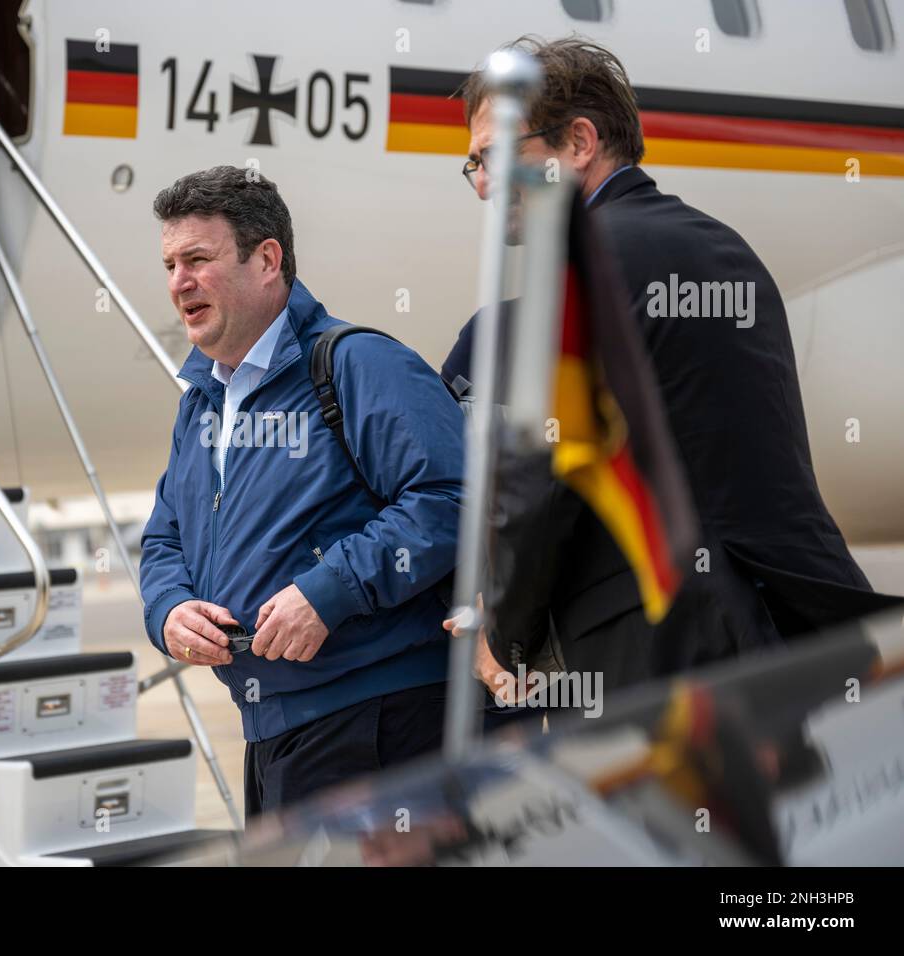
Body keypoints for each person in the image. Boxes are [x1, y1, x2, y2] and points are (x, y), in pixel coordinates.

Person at [443, 36, 892, 700]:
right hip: (770, 632)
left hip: (649, 652)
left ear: (578, 143)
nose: (482, 183)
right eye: (472, 165)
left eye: (493, 155)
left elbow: (544, 475)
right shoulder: (721, 247)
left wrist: (507, 636)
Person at [139, 166, 465, 817]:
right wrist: (169, 609)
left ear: (266, 260)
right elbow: (164, 537)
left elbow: (450, 498)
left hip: (378, 724)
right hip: (274, 730)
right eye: (171, 264)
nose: (178, 282)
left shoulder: (357, 364)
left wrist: (329, 591)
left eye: (198, 259)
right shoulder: (204, 401)